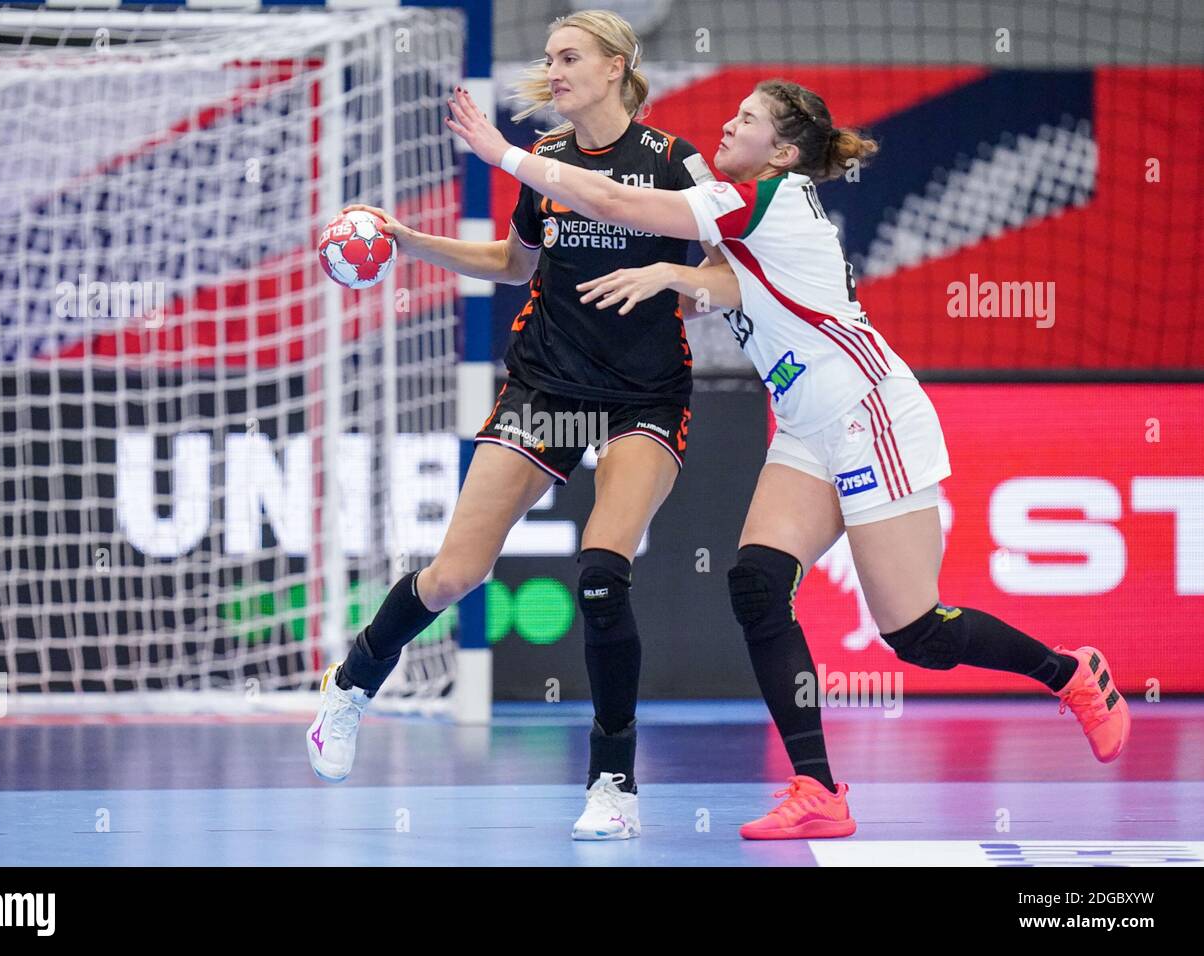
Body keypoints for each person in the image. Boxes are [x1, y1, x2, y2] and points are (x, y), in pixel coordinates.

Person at [445, 75, 1132, 841]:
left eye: (747, 120)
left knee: (915, 634)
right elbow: (728, 286)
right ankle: (818, 790)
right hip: (805, 425)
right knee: (757, 584)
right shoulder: (743, 210)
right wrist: (666, 278)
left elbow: (615, 203)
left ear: (784, 152)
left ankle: (1069, 674)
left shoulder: (766, 200)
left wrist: (504, 154)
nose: (728, 126)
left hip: (869, 414)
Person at [308, 9, 718, 841]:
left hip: (643, 394)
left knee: (602, 570)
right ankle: (349, 687)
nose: (553, 70)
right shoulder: (549, 162)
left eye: (570, 57)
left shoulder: (674, 161)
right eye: (549, 58)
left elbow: (721, 267)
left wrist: (668, 278)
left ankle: (613, 783)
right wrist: (408, 241)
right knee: (454, 575)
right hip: (546, 386)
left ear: (616, 65)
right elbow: (513, 263)